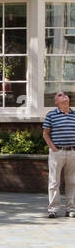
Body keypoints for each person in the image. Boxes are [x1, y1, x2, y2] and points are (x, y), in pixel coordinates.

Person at [43, 90, 75, 218]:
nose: (64, 96)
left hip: (72, 152)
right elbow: (45, 133)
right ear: (56, 102)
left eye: (65, 94)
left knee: (72, 181)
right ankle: (53, 209)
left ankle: (71, 209)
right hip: (57, 152)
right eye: (60, 95)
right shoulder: (51, 115)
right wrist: (53, 148)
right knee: (54, 181)